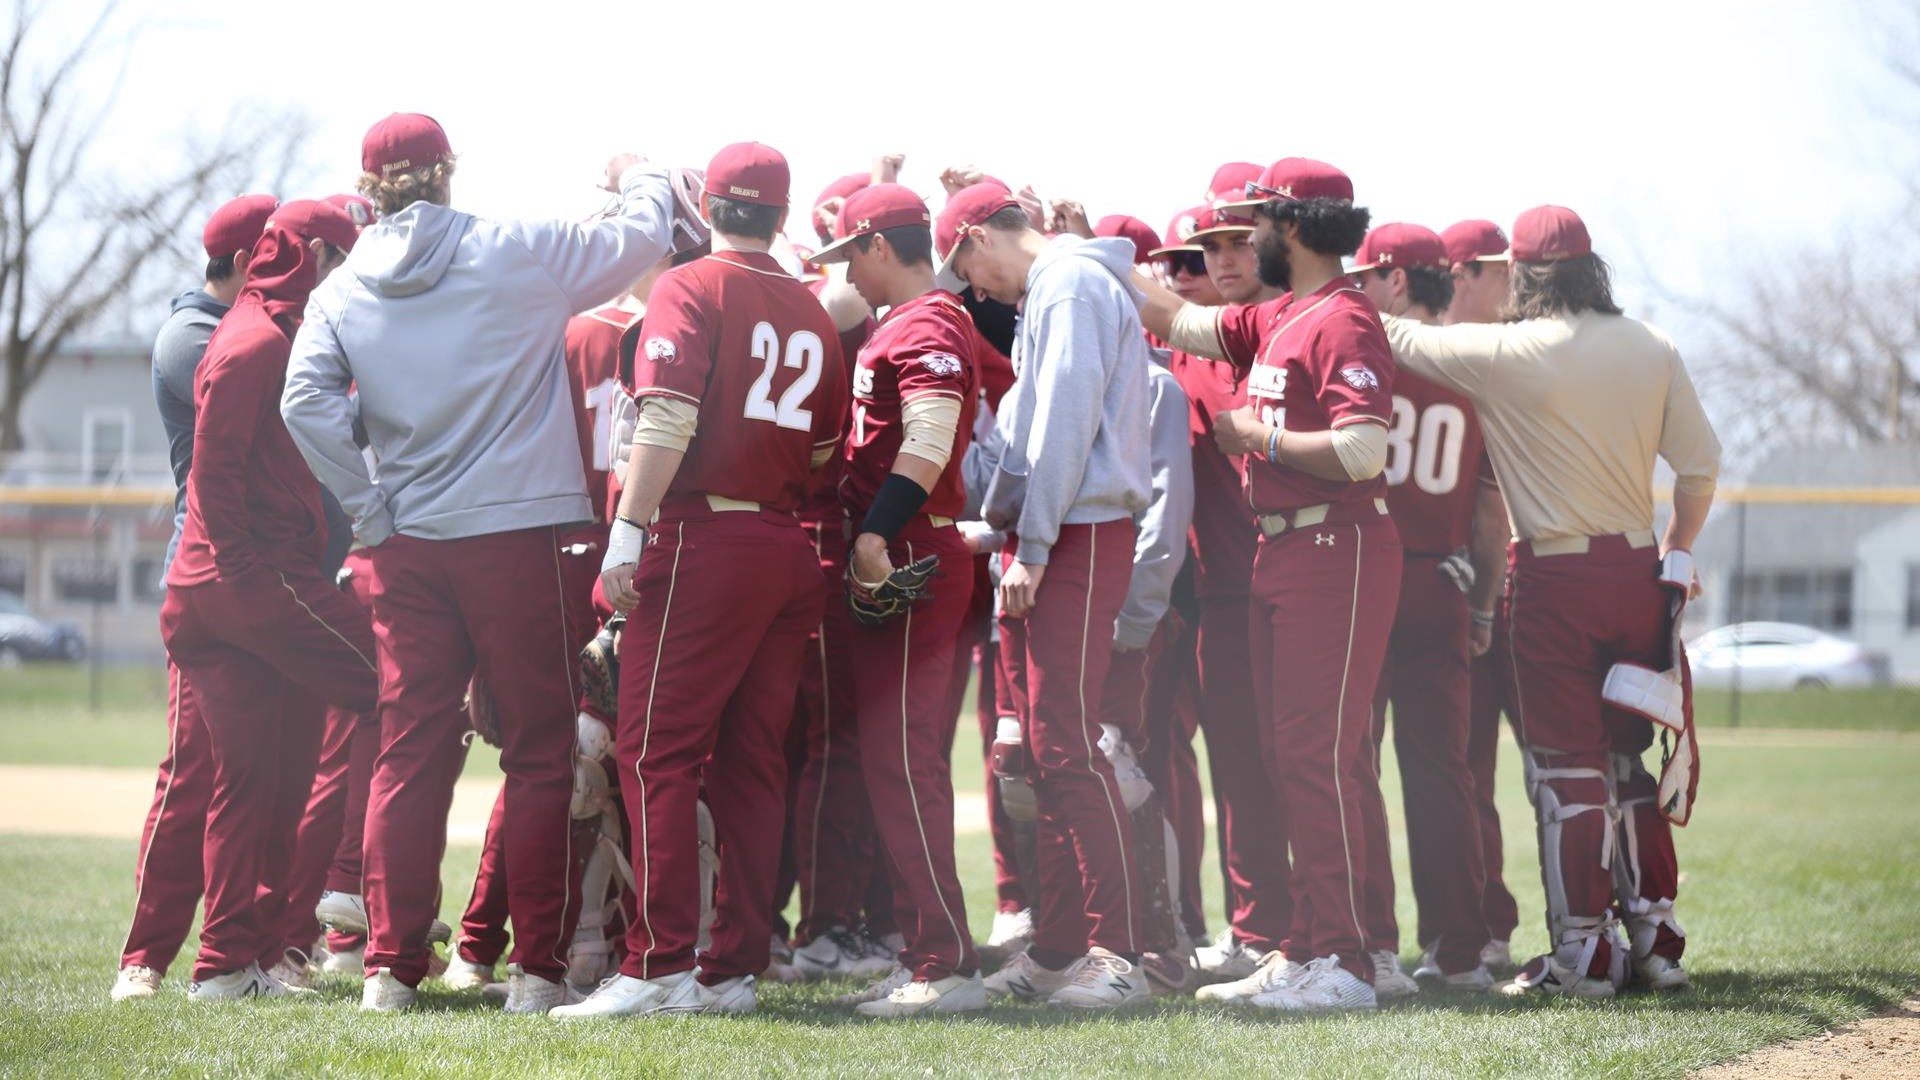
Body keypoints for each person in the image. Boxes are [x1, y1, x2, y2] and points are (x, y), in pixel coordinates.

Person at [282, 113, 688, 1012]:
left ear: (370, 185)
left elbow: (303, 403)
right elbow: (644, 234)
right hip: (516, 535)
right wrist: (643, 173)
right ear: (448, 174)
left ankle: (389, 970)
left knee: (410, 751)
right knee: (542, 752)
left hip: (408, 544)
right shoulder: (514, 251)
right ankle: (535, 973)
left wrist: (368, 505)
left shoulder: (342, 290)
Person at [1379, 205, 1719, 997]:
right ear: (1591, 267)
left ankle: (1584, 955)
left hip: (1553, 578)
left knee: (1565, 770)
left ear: (1524, 274)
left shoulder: (1508, 349)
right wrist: (1678, 550)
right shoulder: (1651, 343)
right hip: (1640, 570)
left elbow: (1402, 339)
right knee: (1628, 757)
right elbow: (1700, 470)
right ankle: (1656, 939)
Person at [553, 142, 849, 1020]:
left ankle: (658, 963)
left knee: (654, 753)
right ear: (782, 214)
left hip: (701, 536)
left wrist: (630, 530)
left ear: (709, 207)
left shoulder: (690, 287)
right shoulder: (811, 307)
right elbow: (827, 450)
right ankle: (732, 969)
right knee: (755, 762)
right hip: (784, 540)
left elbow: (670, 415)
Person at [1135, 158, 1400, 1013]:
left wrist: (1262, 441)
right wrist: (1067, 250)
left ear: (1293, 228)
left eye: (1255, 223)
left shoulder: (1342, 317)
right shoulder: (1286, 313)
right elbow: (1180, 322)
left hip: (1336, 543)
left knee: (1320, 756)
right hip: (1284, 549)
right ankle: (1307, 946)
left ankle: (1351, 963)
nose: (1243, 241)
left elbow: (1364, 451)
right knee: (1297, 755)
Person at [936, 182, 1154, 1011]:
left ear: (983, 235)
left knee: (1067, 743)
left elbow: (1062, 422)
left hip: (1076, 529)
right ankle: (1063, 946)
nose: (977, 288)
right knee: (1041, 751)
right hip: (1057, 528)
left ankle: (1117, 953)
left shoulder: (1068, 283)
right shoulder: (1061, 285)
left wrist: (1029, 542)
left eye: (966, 264)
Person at [162, 199, 378, 1002]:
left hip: (227, 582)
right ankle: (357, 891)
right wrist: (248, 578)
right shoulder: (255, 340)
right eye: (342, 259)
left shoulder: (267, 328)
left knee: (262, 777)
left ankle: (230, 962)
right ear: (314, 256)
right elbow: (212, 472)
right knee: (400, 685)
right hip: (249, 579)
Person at [808, 182, 987, 1016]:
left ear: (880, 245)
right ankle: (928, 949)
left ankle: (942, 962)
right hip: (912, 541)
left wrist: (876, 533)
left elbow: (930, 430)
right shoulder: (915, 321)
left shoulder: (922, 322)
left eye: (851, 254)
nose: (849, 274)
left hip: (911, 548)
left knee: (903, 763)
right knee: (896, 762)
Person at [114, 193, 278, 1002]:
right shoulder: (193, 335)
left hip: (273, 577)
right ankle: (143, 958)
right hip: (210, 579)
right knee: (194, 773)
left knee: (267, 771)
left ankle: (254, 952)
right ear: (249, 265)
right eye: (282, 258)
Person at [1350, 222, 1498, 992]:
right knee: (1444, 773)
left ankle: (1373, 944)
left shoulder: (1360, 353)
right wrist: (1482, 606)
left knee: (1354, 765)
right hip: (1444, 579)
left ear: (1396, 280)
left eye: (1367, 273)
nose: (1356, 286)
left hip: (1366, 576)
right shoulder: (1473, 366)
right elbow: (1487, 514)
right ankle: (1462, 947)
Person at [1440, 217, 1522, 971]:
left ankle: (1597, 931)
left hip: (1527, 583)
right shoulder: (1436, 358)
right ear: (1461, 273)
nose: (1514, 279)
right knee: (1463, 771)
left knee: (1566, 767)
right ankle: (1481, 927)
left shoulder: (1521, 356)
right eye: (1499, 268)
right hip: (1465, 587)